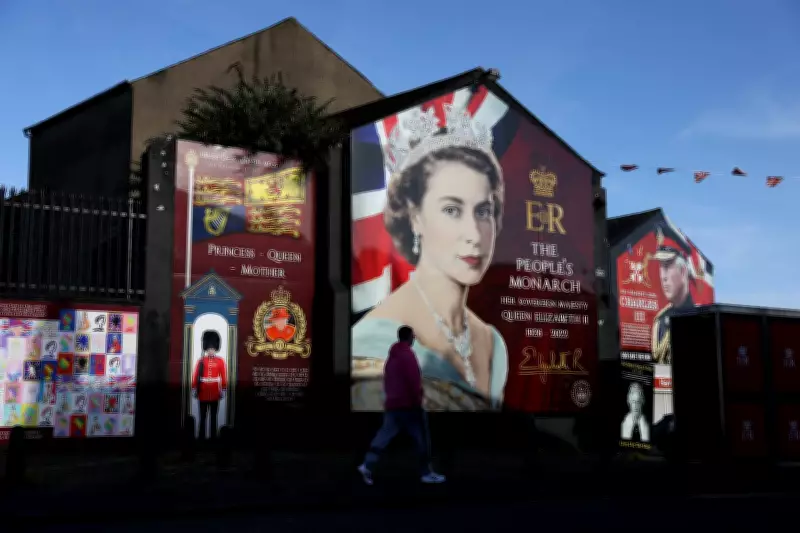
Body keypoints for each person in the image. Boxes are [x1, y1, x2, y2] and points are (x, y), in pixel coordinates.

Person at [352, 105, 509, 411]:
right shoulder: (373, 340)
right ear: (415, 218)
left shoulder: (493, 344)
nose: (474, 234)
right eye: (452, 210)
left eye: (483, 211)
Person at [358, 326, 445, 485]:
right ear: (409, 337)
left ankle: (367, 465)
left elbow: (388, 381)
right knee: (422, 440)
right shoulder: (408, 356)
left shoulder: (392, 357)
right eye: (413, 336)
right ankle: (426, 473)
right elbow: (413, 381)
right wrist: (418, 401)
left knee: (383, 437)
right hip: (409, 406)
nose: (414, 338)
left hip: (393, 405)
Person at [651, 226, 695, 364]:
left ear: (683, 271)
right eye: (661, 266)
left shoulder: (698, 318)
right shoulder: (660, 320)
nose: (663, 277)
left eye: (667, 266)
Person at [191, 330, 227, 440]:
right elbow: (196, 375)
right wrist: (194, 388)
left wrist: (224, 389)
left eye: (213, 348)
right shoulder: (201, 361)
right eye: (209, 348)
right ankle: (201, 437)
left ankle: (213, 437)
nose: (211, 350)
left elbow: (223, 376)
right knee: (202, 417)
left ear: (215, 348)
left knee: (213, 417)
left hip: (215, 392)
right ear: (206, 348)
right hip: (203, 391)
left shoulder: (220, 361)